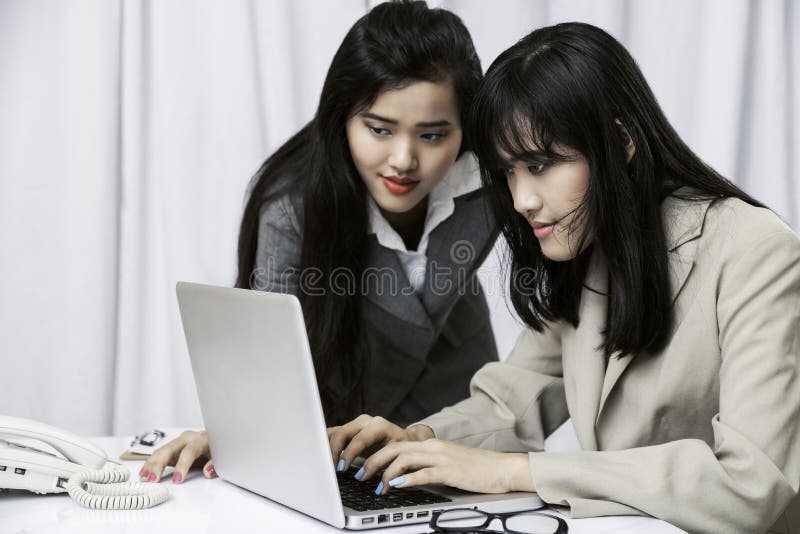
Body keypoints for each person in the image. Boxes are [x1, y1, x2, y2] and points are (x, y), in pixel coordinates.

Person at [327, 22, 800, 534]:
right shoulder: (581, 244)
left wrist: (515, 472)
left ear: (621, 142)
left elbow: (751, 484)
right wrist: (413, 442)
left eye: (542, 164)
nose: (522, 199)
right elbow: (511, 402)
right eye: (509, 171)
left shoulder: (757, 252)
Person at [139, 1, 500, 485]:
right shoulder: (291, 205)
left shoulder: (496, 178)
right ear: (342, 118)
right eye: (378, 129)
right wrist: (238, 434)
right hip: (345, 413)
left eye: (433, 135)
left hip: (456, 393)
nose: (403, 159)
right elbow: (266, 355)